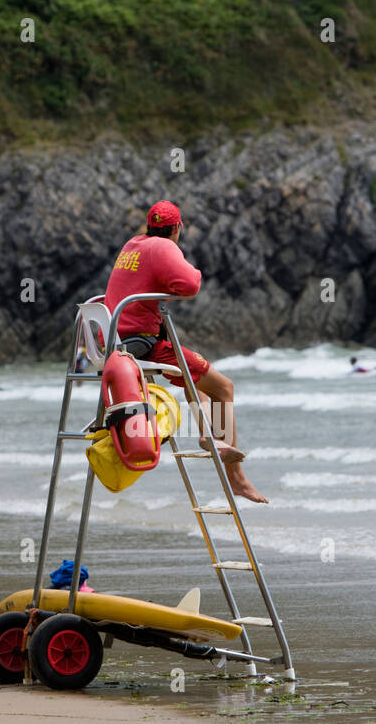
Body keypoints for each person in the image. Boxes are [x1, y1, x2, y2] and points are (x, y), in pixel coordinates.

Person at [105, 200, 267, 503]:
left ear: (149, 225)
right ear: (178, 227)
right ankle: (237, 478)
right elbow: (190, 284)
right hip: (140, 344)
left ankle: (208, 435)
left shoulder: (134, 244)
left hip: (113, 339)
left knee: (196, 377)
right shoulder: (163, 248)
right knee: (224, 387)